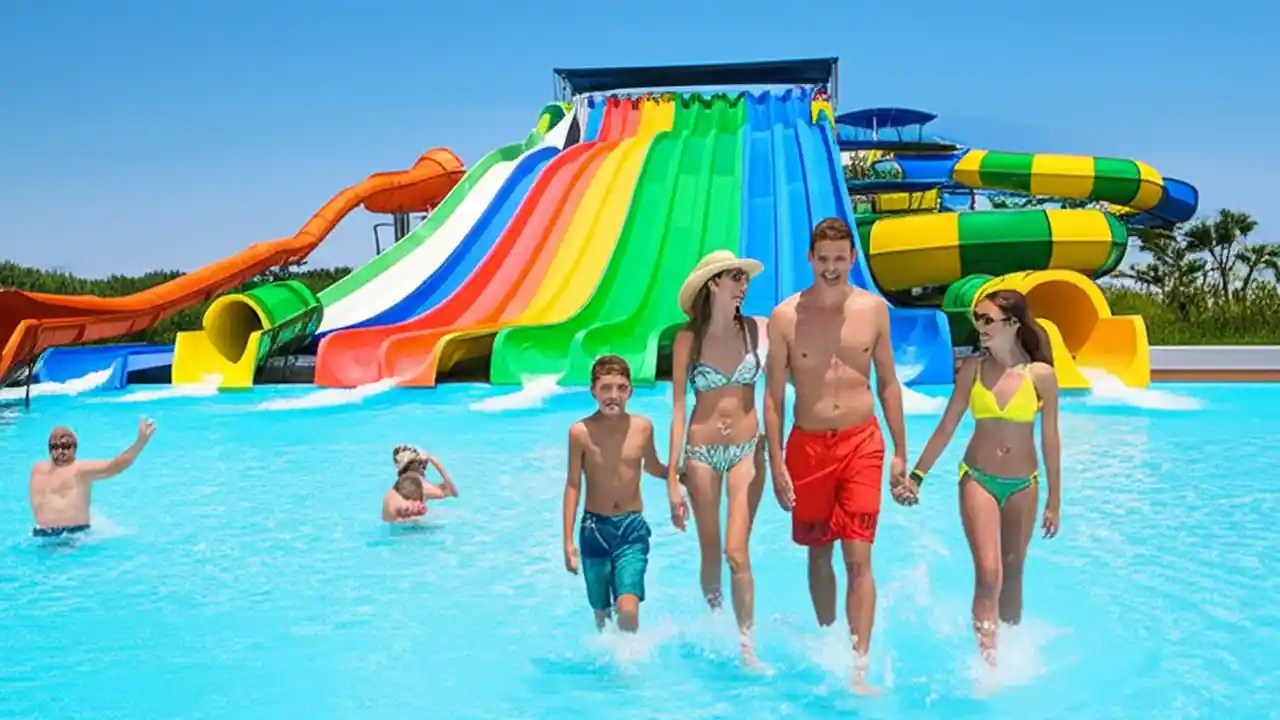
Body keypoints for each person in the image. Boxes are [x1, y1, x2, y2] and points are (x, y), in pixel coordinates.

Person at [763, 217, 908, 695]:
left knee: (858, 554)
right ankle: (828, 645)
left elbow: (888, 382)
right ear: (810, 258)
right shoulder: (786, 317)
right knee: (819, 552)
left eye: (839, 259)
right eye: (822, 259)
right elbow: (772, 397)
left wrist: (900, 452)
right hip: (806, 445)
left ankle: (859, 666)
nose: (830, 268)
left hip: (862, 442)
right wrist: (776, 462)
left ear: (852, 258)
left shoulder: (874, 310)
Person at [894, 289, 1061, 666]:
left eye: (987, 319)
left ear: (1014, 324)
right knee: (989, 573)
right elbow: (947, 426)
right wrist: (917, 476)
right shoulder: (971, 370)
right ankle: (987, 663)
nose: (980, 327)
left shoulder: (1041, 376)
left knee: (1014, 572)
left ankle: (1013, 651)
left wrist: (1054, 499)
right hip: (978, 479)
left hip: (1024, 484)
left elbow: (1051, 439)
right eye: (978, 319)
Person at [667, 249, 769, 665]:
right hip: (701, 453)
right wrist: (673, 477)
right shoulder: (687, 340)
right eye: (734, 278)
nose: (743, 285)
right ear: (713, 284)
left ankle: (747, 644)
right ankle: (715, 624)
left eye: (744, 278)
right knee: (710, 550)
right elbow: (677, 407)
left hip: (747, 449)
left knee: (736, 551)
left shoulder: (757, 329)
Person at [563, 355, 669, 632]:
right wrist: (568, 543)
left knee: (628, 606)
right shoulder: (580, 432)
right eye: (606, 388)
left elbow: (654, 466)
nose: (613, 396)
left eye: (621, 388)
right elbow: (573, 484)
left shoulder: (642, 428)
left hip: (631, 527)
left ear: (630, 391)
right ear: (593, 391)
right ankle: (612, 668)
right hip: (593, 529)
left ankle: (630, 664)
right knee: (602, 614)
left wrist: (682, 474)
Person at [28, 417, 156, 538]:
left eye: (65, 446)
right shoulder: (79, 470)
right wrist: (140, 442)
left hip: (40, 536)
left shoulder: (36, 469)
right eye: (56, 447)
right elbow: (115, 466)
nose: (61, 451)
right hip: (73, 538)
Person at [381, 445, 459, 524]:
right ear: (421, 466)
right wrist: (433, 460)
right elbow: (453, 492)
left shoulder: (393, 491)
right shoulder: (422, 486)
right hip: (410, 532)